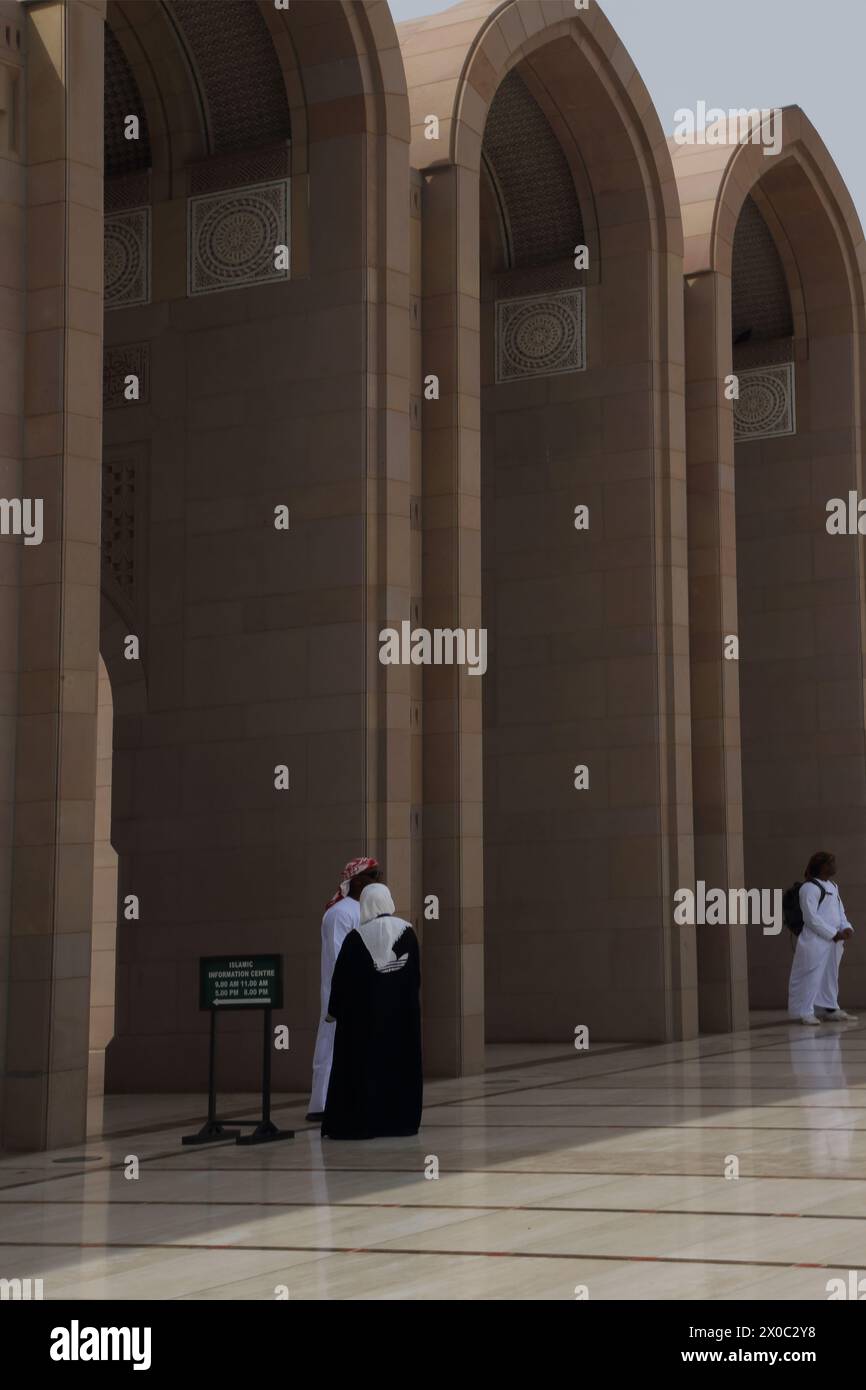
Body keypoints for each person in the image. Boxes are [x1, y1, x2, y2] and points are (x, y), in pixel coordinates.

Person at [322, 882, 422, 1140]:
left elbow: (341, 980)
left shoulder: (355, 938)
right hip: (401, 1022)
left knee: (364, 1071)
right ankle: (399, 1123)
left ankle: (365, 1123)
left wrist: (333, 1012)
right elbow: (414, 977)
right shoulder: (408, 933)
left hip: (364, 1025)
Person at [305, 856, 380, 1121]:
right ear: (357, 880)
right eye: (373, 876)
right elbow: (340, 959)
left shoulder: (366, 911)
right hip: (341, 994)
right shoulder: (339, 913)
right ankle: (321, 1105)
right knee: (331, 1045)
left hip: (363, 992)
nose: (377, 881)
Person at [788, 852, 858, 1025]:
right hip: (815, 941)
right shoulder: (809, 888)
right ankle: (804, 1012)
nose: (834, 866)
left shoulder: (833, 886)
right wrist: (832, 934)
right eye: (831, 863)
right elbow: (811, 919)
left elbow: (839, 912)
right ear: (822, 866)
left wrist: (846, 927)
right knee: (810, 975)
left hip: (834, 941)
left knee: (830, 975)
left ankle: (830, 1008)